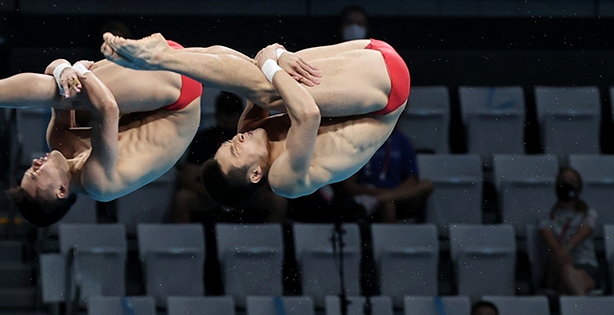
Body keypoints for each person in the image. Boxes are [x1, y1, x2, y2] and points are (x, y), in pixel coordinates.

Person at [100, 33, 410, 207]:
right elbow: (307, 115)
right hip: (386, 88)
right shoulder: (285, 181)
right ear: (256, 173)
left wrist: (279, 55)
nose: (235, 140)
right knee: (270, 92)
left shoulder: (250, 131)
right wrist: (273, 63)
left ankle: (168, 55)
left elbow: (255, 64)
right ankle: (160, 59)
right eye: (235, 151)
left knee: (249, 71)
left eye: (227, 144)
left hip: (367, 52)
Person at [0, 48, 201, 226]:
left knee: (64, 91)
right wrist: (77, 71)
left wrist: (65, 69)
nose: (34, 164)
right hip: (179, 98)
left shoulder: (61, 144)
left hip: (155, 84)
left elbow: (56, 79)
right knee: (72, 95)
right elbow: (107, 108)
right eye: (36, 175)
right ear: (61, 191)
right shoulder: (97, 183)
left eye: (28, 171)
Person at [171, 91, 286, 223]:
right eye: (232, 147)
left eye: (233, 148)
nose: (238, 136)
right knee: (183, 198)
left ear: (239, 115)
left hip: (250, 194)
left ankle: (274, 241)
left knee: (278, 200)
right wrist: (219, 195)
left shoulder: (250, 131)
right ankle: (185, 243)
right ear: (217, 116)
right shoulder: (205, 139)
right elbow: (188, 178)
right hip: (212, 197)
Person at [336, 129, 434, 222]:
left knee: (427, 185)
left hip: (395, 193)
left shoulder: (401, 140)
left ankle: (376, 200)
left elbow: (411, 180)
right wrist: (375, 192)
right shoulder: (361, 141)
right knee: (388, 205)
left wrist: (387, 194)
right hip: (367, 191)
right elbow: (348, 184)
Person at [539, 167, 599, 296]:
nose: (567, 184)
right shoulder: (547, 216)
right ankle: (583, 306)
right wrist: (564, 254)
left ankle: (575, 305)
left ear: (579, 188)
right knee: (564, 261)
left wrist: (567, 248)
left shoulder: (588, 213)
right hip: (556, 267)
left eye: (572, 181)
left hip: (585, 264)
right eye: (563, 180)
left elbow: (583, 233)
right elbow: (552, 244)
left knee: (568, 286)